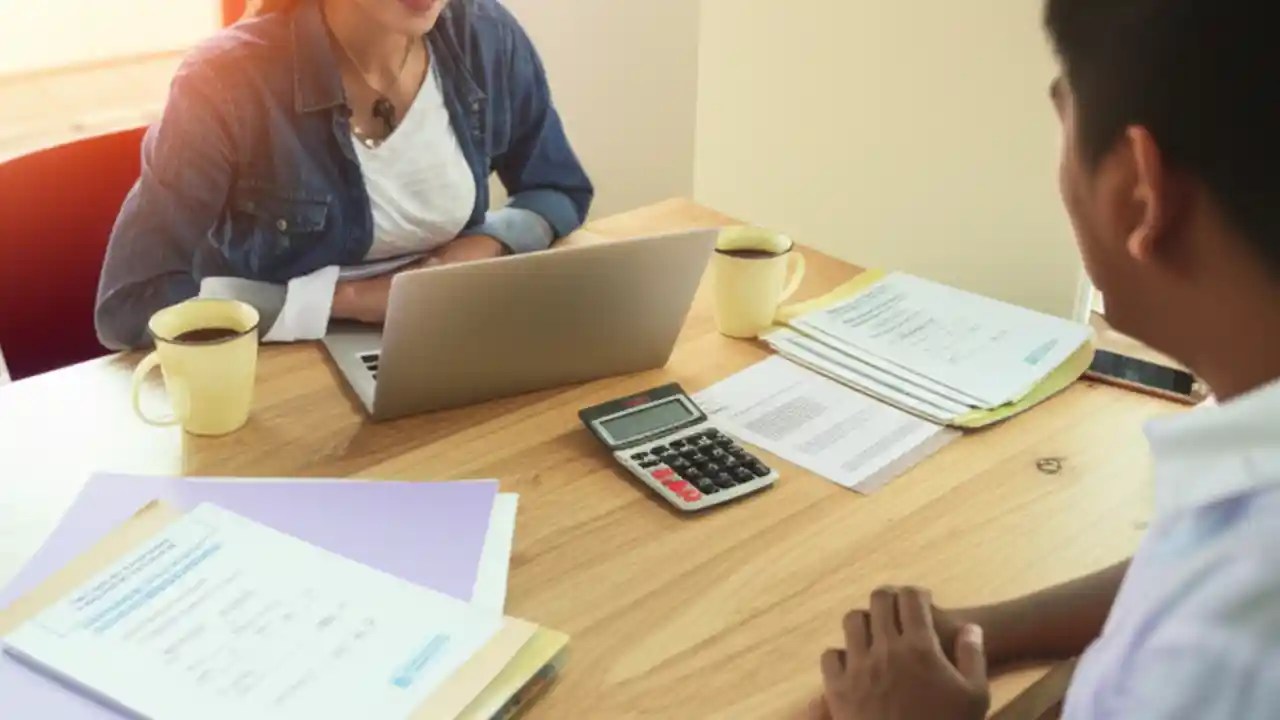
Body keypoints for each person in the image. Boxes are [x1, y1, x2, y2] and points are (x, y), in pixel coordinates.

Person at [813, 0, 1280, 718]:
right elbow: (1191, 553)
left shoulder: (1216, 662)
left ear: (1137, 193)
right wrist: (989, 629)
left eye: (1063, 120)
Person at [95, 0, 592, 348]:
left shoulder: (484, 35)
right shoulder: (224, 81)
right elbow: (131, 302)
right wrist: (348, 301)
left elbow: (557, 188)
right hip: (269, 371)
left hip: (443, 339)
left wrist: (463, 259)